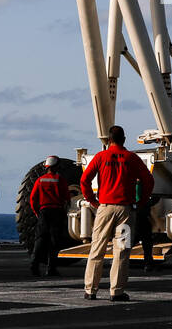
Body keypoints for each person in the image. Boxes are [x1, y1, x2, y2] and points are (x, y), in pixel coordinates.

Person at [81, 125, 153, 302]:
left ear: (108, 140)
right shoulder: (131, 158)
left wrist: (92, 201)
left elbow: (84, 180)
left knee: (97, 249)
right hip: (125, 210)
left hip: (104, 208)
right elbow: (148, 180)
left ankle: (90, 290)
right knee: (121, 251)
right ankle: (117, 291)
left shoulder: (101, 157)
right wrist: (141, 201)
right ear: (124, 139)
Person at [30, 155, 69, 278]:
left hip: (43, 212)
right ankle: (51, 268)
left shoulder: (40, 180)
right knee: (54, 242)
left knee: (40, 240)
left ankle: (34, 266)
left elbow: (32, 199)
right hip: (56, 212)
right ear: (56, 166)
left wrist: (37, 212)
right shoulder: (60, 180)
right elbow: (67, 198)